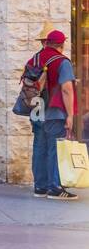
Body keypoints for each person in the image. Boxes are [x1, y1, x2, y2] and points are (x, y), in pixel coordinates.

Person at [27, 29, 78, 200]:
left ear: (47, 42)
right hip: (54, 111)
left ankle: (40, 187)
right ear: (62, 44)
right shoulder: (62, 62)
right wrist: (70, 115)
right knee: (54, 148)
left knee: (39, 147)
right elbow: (66, 89)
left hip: (36, 110)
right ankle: (55, 187)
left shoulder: (36, 58)